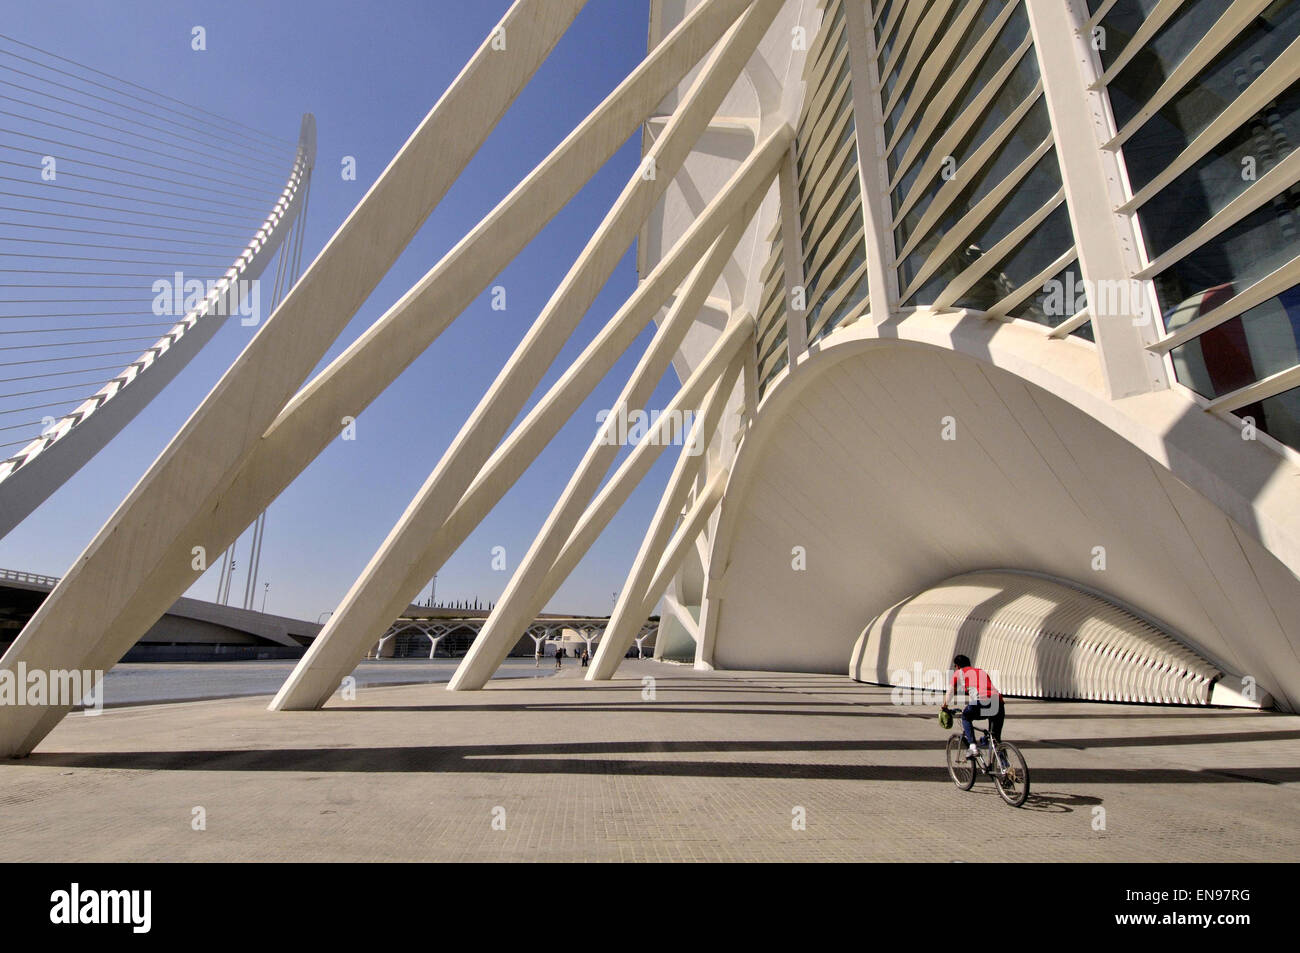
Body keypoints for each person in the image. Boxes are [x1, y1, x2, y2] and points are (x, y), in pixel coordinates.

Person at [941, 653, 1004, 762]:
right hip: (998, 702)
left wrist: (944, 706)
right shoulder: (981, 671)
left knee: (965, 716)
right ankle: (1006, 768)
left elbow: (950, 692)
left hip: (981, 701)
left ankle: (973, 747)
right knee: (996, 740)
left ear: (957, 666)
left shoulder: (959, 673)